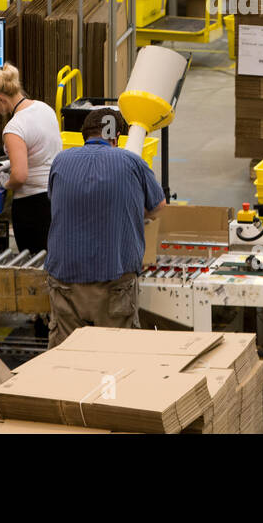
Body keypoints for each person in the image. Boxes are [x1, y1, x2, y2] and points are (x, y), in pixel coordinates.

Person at [43, 109, 165, 347]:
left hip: (65, 280)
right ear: (116, 137)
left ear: (84, 135)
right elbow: (158, 205)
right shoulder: (131, 161)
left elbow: (56, 200)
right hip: (114, 280)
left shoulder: (61, 160)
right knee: (114, 357)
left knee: (65, 360)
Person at [0, 64, 62, 254]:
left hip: (32, 207)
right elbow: (42, 151)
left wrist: (4, 183)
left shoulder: (14, 128)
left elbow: (20, 176)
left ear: (0, 99)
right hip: (56, 197)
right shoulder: (45, 108)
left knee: (32, 269)